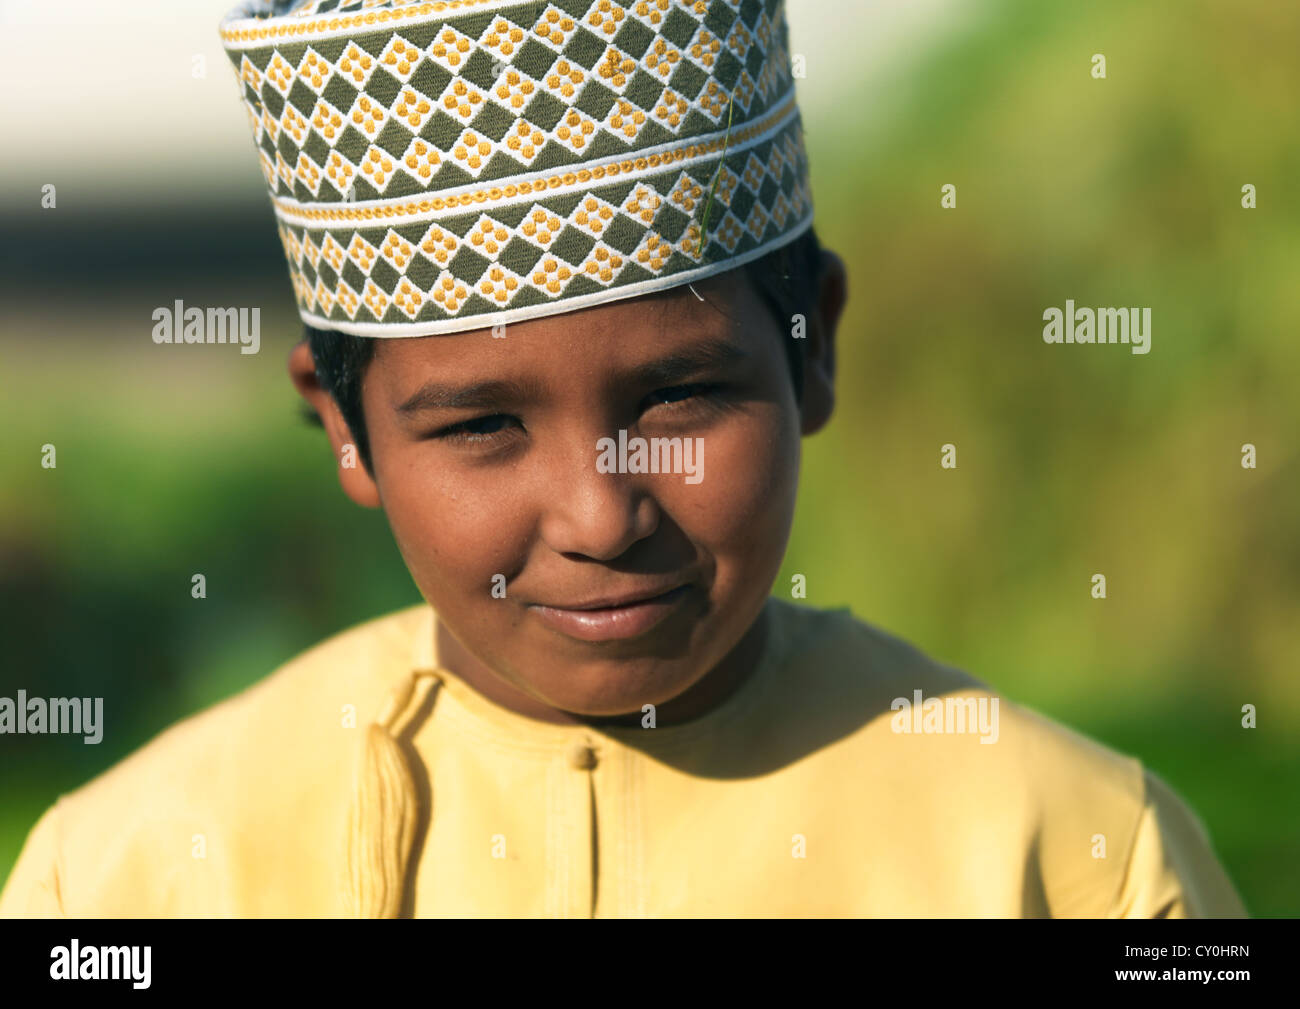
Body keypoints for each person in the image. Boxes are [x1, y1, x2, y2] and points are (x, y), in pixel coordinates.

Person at [0, 0, 1245, 917]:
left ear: (811, 353)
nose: (600, 514)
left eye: (681, 396)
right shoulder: (127, 877)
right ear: (345, 424)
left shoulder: (1078, 854)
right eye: (482, 426)